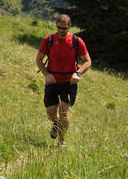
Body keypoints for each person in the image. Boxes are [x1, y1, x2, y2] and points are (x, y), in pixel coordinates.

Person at [35, 14, 91, 146]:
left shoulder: (77, 41)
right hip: (52, 81)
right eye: (59, 27)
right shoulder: (48, 40)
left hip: (68, 82)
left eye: (64, 28)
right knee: (50, 113)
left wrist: (78, 73)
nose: (61, 30)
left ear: (69, 27)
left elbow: (87, 61)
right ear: (56, 26)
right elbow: (38, 60)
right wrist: (46, 74)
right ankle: (55, 123)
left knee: (64, 113)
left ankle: (61, 141)